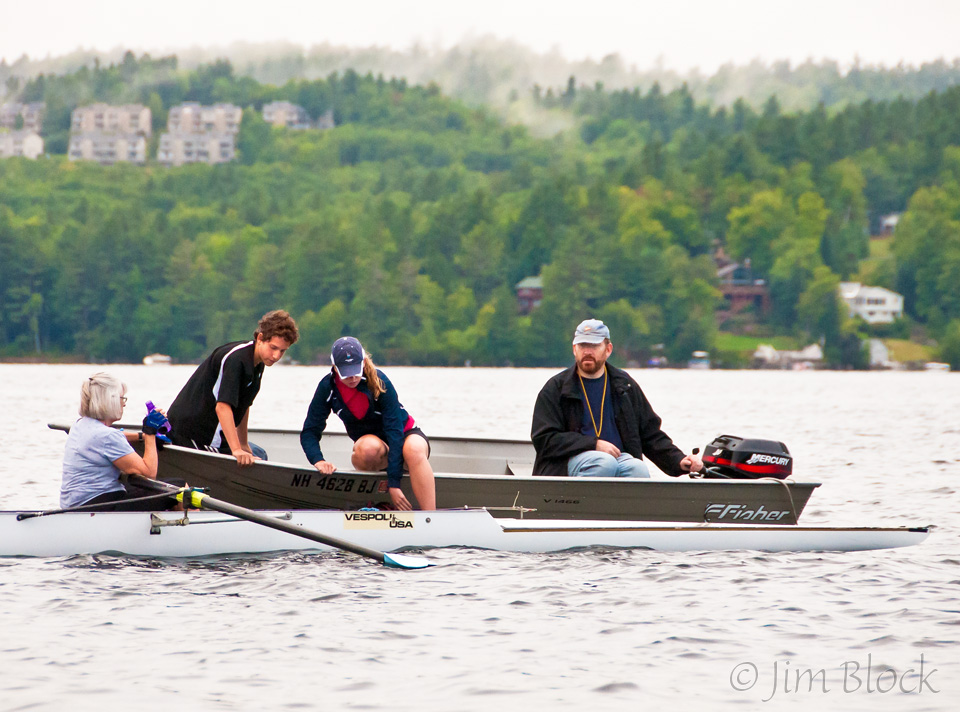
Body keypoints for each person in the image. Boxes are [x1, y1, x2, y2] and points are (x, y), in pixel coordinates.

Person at [531, 319, 703, 478]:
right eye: (583, 345)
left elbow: (650, 434)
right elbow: (544, 439)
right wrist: (593, 444)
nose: (587, 351)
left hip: (620, 459)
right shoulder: (556, 388)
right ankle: (580, 510)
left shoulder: (625, 386)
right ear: (574, 349)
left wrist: (679, 461)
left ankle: (622, 511)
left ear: (608, 349)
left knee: (637, 468)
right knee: (604, 463)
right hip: (565, 464)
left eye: (594, 345)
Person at [300, 337, 437, 511]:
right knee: (366, 450)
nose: (352, 377)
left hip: (405, 435)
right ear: (334, 368)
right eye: (345, 372)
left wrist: (394, 484)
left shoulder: (380, 381)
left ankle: (431, 516)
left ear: (363, 362)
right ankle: (374, 504)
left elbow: (394, 433)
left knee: (413, 450)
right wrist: (317, 460)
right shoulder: (327, 387)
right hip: (378, 449)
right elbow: (310, 431)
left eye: (356, 370)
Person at [167, 309, 299, 465]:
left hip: (212, 434)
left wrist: (243, 444)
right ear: (260, 338)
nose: (276, 356)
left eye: (282, 351)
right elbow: (223, 407)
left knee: (258, 453)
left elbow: (243, 406)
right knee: (254, 458)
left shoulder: (258, 363)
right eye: (273, 348)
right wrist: (236, 450)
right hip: (191, 434)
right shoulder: (236, 359)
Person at [61, 372, 182, 511]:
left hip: (75, 504)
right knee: (178, 488)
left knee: (139, 487)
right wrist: (150, 434)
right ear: (110, 400)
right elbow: (149, 473)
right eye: (122, 399)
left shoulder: (80, 425)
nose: (123, 404)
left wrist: (141, 436)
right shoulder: (108, 436)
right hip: (98, 507)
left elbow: (114, 436)